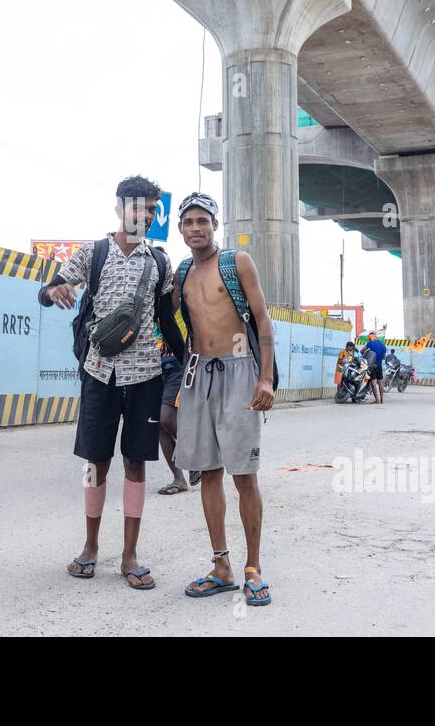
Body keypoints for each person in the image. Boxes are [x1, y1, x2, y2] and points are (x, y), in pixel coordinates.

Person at [39, 175, 186, 591]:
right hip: (99, 374)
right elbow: (48, 289)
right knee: (95, 463)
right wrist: (56, 290)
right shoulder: (93, 253)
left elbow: (166, 320)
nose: (144, 215)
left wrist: (188, 357)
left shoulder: (159, 262)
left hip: (146, 376)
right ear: (120, 208)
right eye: (137, 207)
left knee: (136, 464)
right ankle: (89, 549)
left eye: (151, 210)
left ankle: (130, 555)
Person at [170, 192, 275, 607]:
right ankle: (221, 566)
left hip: (239, 371)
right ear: (180, 229)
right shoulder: (180, 272)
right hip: (199, 374)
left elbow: (263, 318)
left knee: (244, 475)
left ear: (216, 223)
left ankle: (253, 568)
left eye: (203, 221)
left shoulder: (237, 263)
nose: (196, 228)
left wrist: (265, 378)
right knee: (208, 473)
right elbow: (168, 318)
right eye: (189, 222)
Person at [156, 322, 188, 496]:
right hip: (152, 367)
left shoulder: (179, 295)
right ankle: (178, 478)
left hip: (177, 364)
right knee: (160, 425)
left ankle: (195, 457)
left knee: (166, 417)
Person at [363, 331, 388, 405]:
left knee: (373, 382)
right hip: (379, 365)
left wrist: (364, 354)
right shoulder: (382, 344)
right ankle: (382, 400)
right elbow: (384, 357)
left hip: (372, 365)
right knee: (380, 382)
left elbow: (362, 351)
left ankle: (377, 400)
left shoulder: (370, 343)